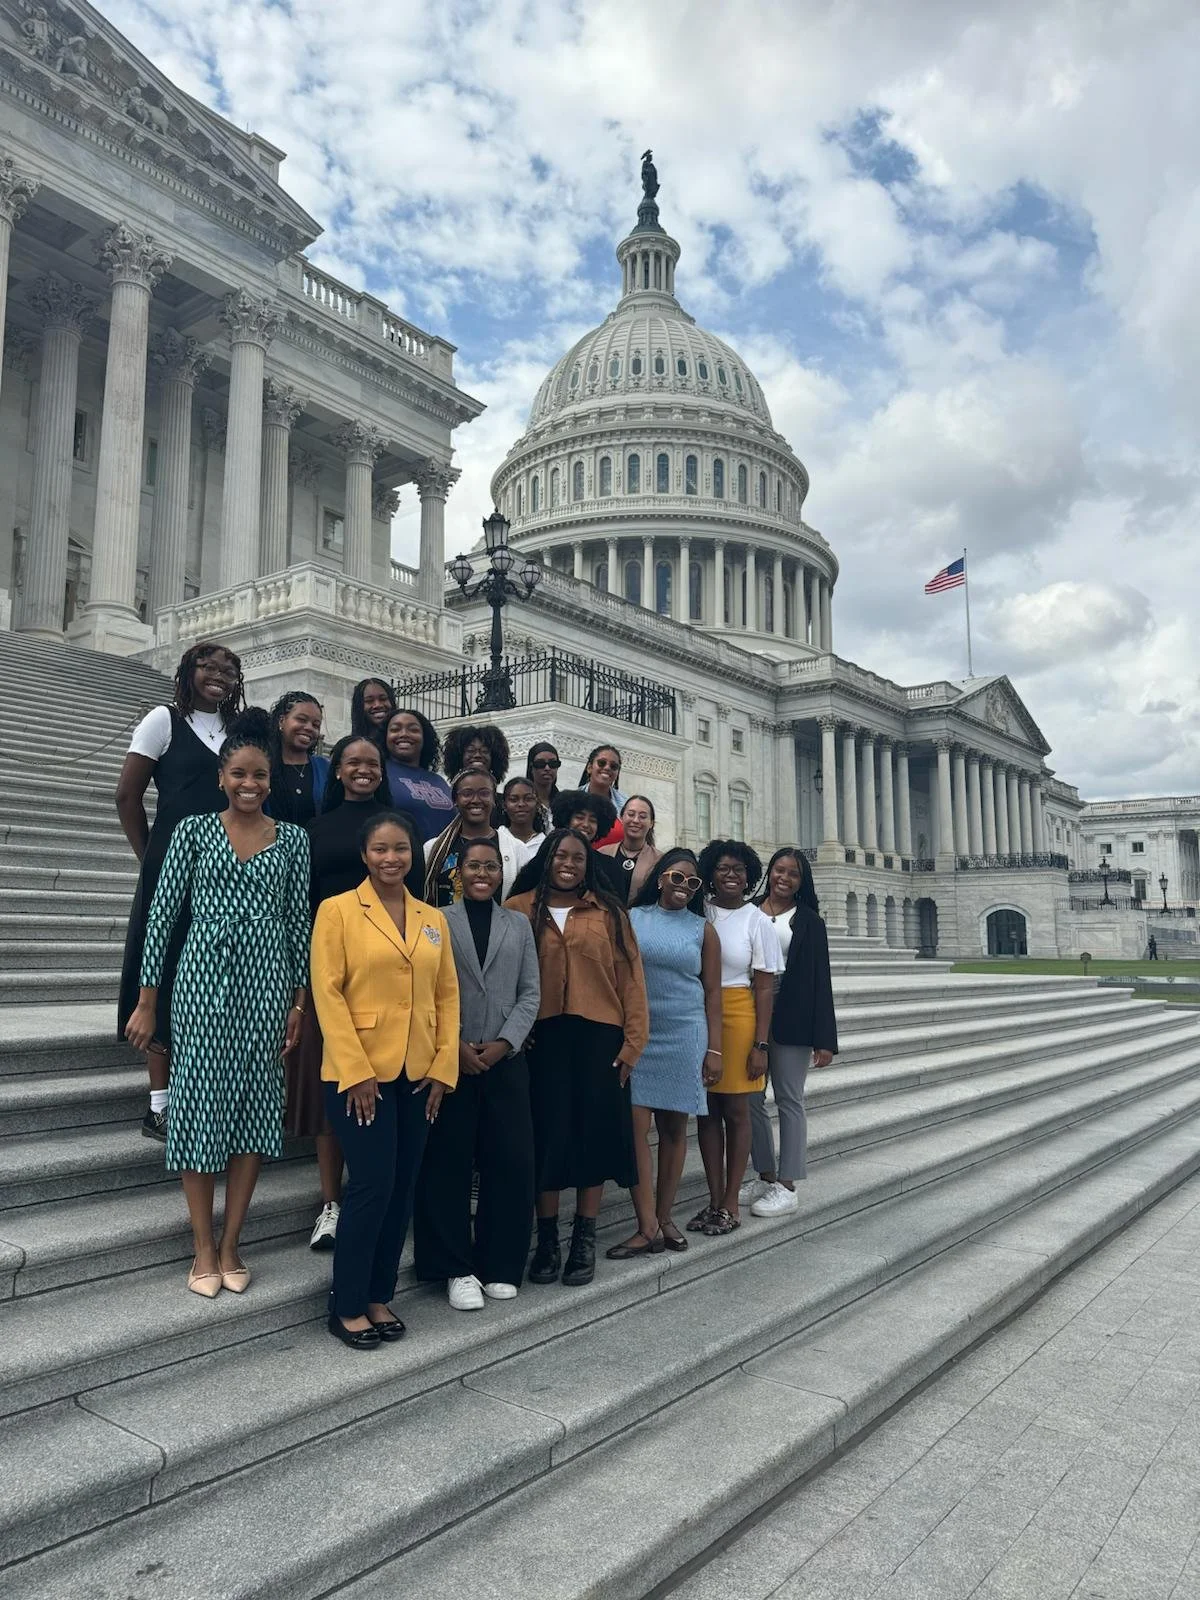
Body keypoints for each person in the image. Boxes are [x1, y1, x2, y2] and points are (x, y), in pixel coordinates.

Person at [124, 709, 310, 1298]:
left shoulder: (294, 841)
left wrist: (298, 1002)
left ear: (271, 780)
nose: (249, 784)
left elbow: (297, 924)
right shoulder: (192, 833)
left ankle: (233, 1242)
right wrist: (148, 1000)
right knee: (201, 1107)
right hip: (202, 974)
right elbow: (162, 917)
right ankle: (203, 1244)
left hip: (267, 980)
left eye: (259, 774)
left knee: (255, 1111)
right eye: (238, 774)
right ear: (221, 777)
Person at [310, 810, 460, 1349]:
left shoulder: (431, 918)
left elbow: (447, 995)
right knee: (372, 1185)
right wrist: (355, 1071)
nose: (391, 858)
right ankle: (346, 1303)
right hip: (360, 1073)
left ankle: (378, 1294)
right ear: (364, 855)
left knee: (401, 1187)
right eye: (380, 850)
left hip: (418, 1072)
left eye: (401, 849)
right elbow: (328, 994)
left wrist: (445, 1066)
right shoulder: (338, 911)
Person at [506, 830, 649, 1287]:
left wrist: (633, 1043)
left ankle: (583, 1237)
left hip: (599, 1038)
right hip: (539, 1039)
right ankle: (546, 1239)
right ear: (546, 859)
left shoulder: (609, 913)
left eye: (578, 858)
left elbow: (631, 980)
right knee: (545, 1137)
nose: (569, 863)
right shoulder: (518, 909)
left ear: (589, 865)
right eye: (560, 855)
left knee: (594, 1137)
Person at [290, 735, 414, 1253]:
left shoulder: (398, 826)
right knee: (333, 1092)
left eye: (372, 763)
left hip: (388, 974)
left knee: (387, 1089)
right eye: (353, 763)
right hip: (332, 971)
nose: (363, 770)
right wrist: (301, 991)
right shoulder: (314, 830)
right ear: (336, 770)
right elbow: (301, 906)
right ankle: (330, 1204)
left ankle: (375, 1193)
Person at [116, 640, 244, 1141]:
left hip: (225, 867)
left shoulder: (236, 729)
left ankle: (205, 1087)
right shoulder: (163, 720)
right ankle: (159, 1105)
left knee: (211, 973)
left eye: (228, 670)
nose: (218, 676)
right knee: (165, 969)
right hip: (172, 861)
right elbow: (127, 794)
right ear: (188, 672)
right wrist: (149, 855)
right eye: (208, 667)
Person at [413, 838, 541, 1309]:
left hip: (505, 1060)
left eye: (490, 865)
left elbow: (531, 992)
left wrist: (505, 1042)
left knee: (510, 1162)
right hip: (452, 1061)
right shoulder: (436, 921)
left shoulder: (519, 924)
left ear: (501, 872)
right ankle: (454, 1267)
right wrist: (456, 1046)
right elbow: (425, 990)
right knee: (446, 1163)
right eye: (473, 865)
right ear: (458, 871)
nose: (482, 873)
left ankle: (501, 1263)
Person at [609, 850, 723, 1257]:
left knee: (675, 1131)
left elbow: (712, 992)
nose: (684, 886)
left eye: (693, 882)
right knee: (636, 1131)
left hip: (685, 1032)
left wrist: (714, 1049)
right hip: (641, 1035)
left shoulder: (702, 930)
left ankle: (665, 1216)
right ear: (660, 878)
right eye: (677, 876)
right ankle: (647, 1225)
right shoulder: (633, 918)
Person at [689, 840, 782, 1237]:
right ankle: (712, 1199)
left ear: (749, 876)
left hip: (740, 1014)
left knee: (737, 1111)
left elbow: (764, 987)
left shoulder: (756, 920)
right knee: (706, 1113)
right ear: (709, 873)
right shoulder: (699, 912)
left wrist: (761, 1045)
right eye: (723, 868)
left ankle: (730, 1202)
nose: (731, 874)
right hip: (698, 1015)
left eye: (739, 869)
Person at [745, 847, 837, 1218]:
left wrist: (825, 1040)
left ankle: (787, 1184)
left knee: (789, 1099)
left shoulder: (809, 921)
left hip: (793, 1010)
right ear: (770, 872)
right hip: (750, 1004)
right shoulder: (749, 909)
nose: (784, 878)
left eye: (793, 874)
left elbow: (821, 981)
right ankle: (765, 1175)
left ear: (801, 881)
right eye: (779, 871)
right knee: (750, 1097)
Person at [424, 767, 524, 905]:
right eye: (467, 793)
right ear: (455, 800)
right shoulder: (432, 849)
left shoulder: (516, 850)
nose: (476, 800)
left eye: (484, 793)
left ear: (494, 799)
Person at [381, 707, 454, 844]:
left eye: (413, 729)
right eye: (395, 729)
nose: (403, 734)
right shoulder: (379, 773)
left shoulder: (438, 780)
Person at [267, 690, 329, 825]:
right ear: (282, 721)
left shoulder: (325, 768)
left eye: (315, 725)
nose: (309, 728)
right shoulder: (264, 764)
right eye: (301, 719)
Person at [550, 789, 625, 896]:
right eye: (579, 817)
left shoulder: (610, 867)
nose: (585, 824)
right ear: (567, 820)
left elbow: (619, 908)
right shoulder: (548, 856)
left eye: (593, 820)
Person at [599, 794, 662, 903]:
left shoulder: (660, 860)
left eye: (642, 816)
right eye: (631, 814)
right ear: (622, 817)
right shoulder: (602, 853)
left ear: (651, 823)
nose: (636, 820)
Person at [578, 744, 626, 845]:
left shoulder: (626, 804)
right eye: (601, 763)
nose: (607, 768)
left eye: (613, 766)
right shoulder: (572, 800)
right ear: (590, 767)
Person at [443, 724, 511, 787]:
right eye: (471, 750)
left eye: (484, 751)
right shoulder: (447, 798)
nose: (477, 755)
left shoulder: (503, 799)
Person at [500, 775, 545, 865]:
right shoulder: (497, 838)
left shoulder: (546, 844)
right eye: (513, 800)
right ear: (504, 805)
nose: (521, 804)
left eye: (528, 799)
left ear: (537, 804)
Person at [349, 678, 397, 746]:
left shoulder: (401, 744)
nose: (377, 705)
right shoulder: (351, 747)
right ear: (359, 707)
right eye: (369, 701)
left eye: (383, 699)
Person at [526, 742, 562, 830]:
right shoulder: (522, 802)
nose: (547, 768)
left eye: (553, 763)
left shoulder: (564, 803)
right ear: (531, 767)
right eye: (540, 764)